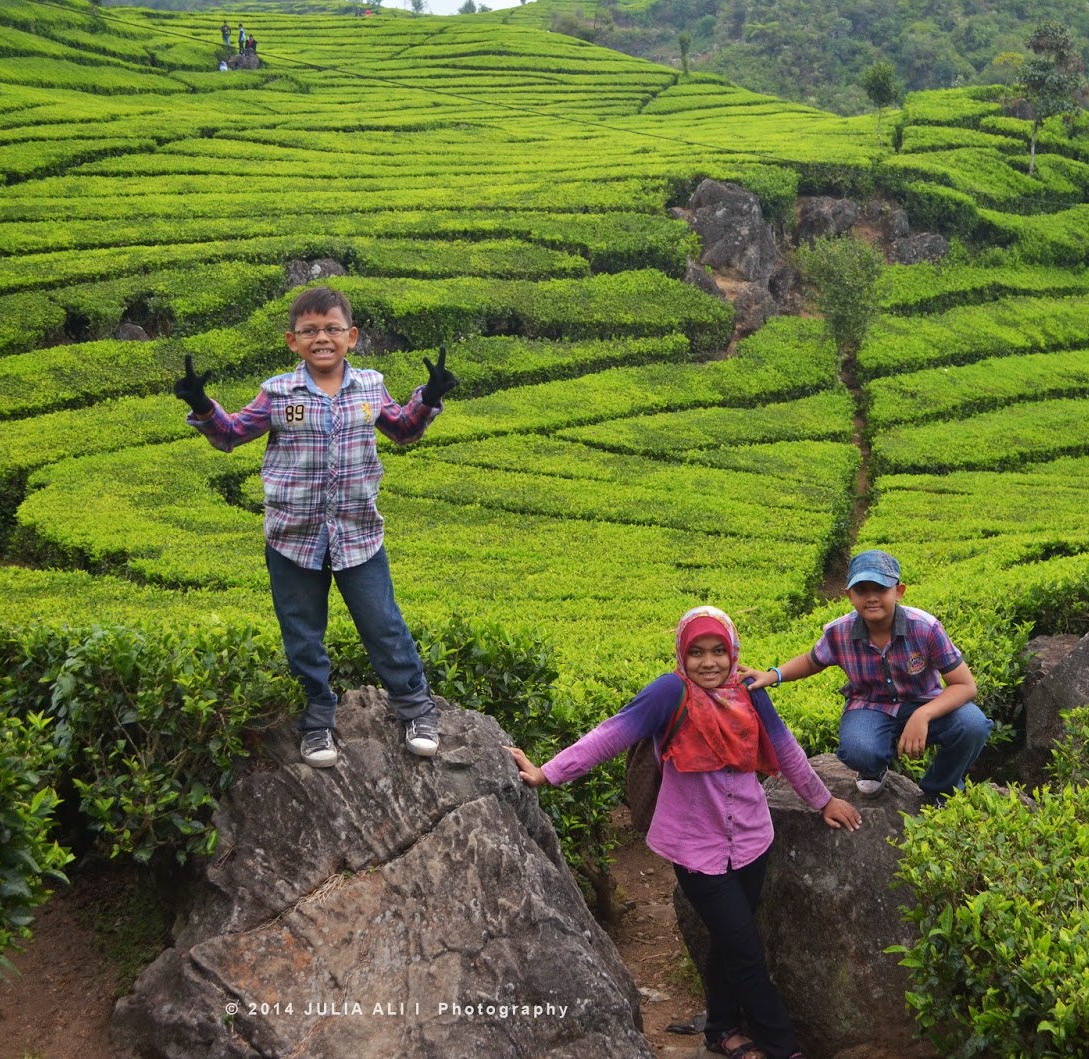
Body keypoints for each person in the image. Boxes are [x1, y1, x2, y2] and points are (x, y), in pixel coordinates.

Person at [508, 606, 861, 1059]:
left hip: (752, 839)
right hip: (696, 848)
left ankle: (721, 1029)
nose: (709, 662)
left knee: (729, 938)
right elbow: (609, 734)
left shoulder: (749, 692)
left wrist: (823, 799)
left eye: (719, 651)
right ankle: (782, 1045)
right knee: (747, 950)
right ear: (682, 653)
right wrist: (547, 773)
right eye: (697, 652)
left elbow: (785, 747)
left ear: (733, 652)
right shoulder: (669, 692)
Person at [173, 286, 459, 769]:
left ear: (352, 336)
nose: (321, 338)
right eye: (309, 331)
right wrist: (203, 405)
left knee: (384, 626)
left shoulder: (370, 385)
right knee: (303, 635)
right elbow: (230, 434)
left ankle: (416, 709)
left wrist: (429, 396)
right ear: (292, 340)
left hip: (358, 534)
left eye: (331, 329)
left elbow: (404, 429)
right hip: (293, 538)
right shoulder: (278, 392)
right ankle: (319, 720)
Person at [739, 550, 992, 803]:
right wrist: (774, 675)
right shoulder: (839, 632)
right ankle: (873, 767)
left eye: (881, 589)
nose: (871, 598)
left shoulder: (925, 628)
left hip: (924, 701)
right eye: (861, 590)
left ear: (899, 591)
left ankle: (940, 789)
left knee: (973, 725)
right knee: (858, 750)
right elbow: (811, 661)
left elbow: (965, 685)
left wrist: (923, 714)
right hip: (869, 706)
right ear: (850, 595)